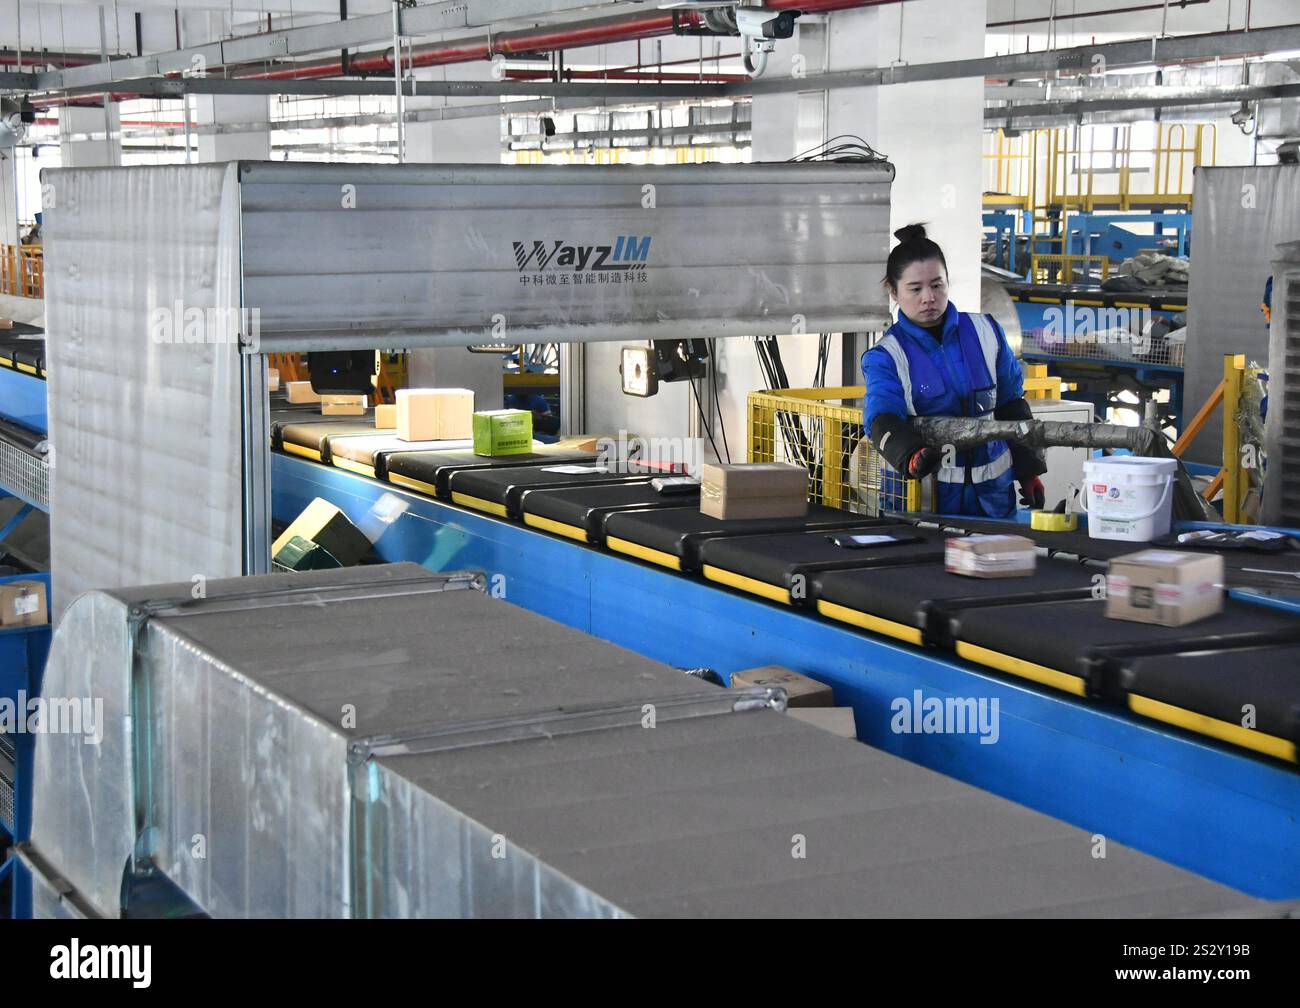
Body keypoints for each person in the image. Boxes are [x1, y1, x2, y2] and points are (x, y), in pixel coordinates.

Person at [863, 224, 1046, 518]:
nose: (929, 298)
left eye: (937, 285)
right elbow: (881, 418)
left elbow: (1011, 405)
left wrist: (1029, 470)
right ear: (893, 291)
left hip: (993, 501)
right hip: (924, 503)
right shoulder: (886, 357)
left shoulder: (987, 332)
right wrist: (910, 455)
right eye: (915, 289)